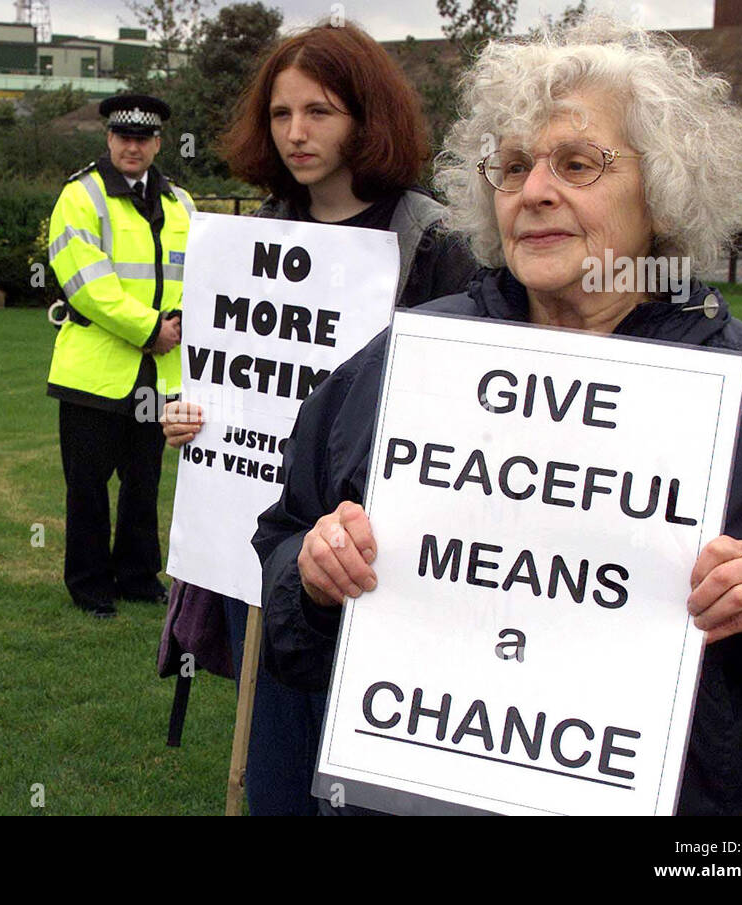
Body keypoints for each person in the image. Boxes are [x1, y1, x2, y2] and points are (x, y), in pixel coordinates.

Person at [253, 13, 742, 816]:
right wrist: (311, 575)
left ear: (664, 187)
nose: (534, 192)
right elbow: (287, 540)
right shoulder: (403, 367)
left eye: (578, 163)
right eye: (515, 165)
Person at [159, 21, 479, 814]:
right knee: (271, 772)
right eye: (280, 114)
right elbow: (230, 376)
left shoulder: (434, 243)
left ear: (367, 117)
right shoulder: (252, 237)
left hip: (382, 556)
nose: (296, 133)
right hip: (264, 547)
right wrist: (195, 416)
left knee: (364, 778)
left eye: (321, 111)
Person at [46, 94, 197, 618]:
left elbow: (197, 273)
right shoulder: (80, 196)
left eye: (143, 138)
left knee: (143, 481)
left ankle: (137, 576)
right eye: (123, 137)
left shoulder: (180, 203)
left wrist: (178, 324)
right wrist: (152, 327)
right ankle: (90, 586)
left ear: (157, 144)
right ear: (109, 139)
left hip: (157, 370)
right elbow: (86, 284)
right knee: (87, 486)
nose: (132, 147)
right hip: (93, 370)